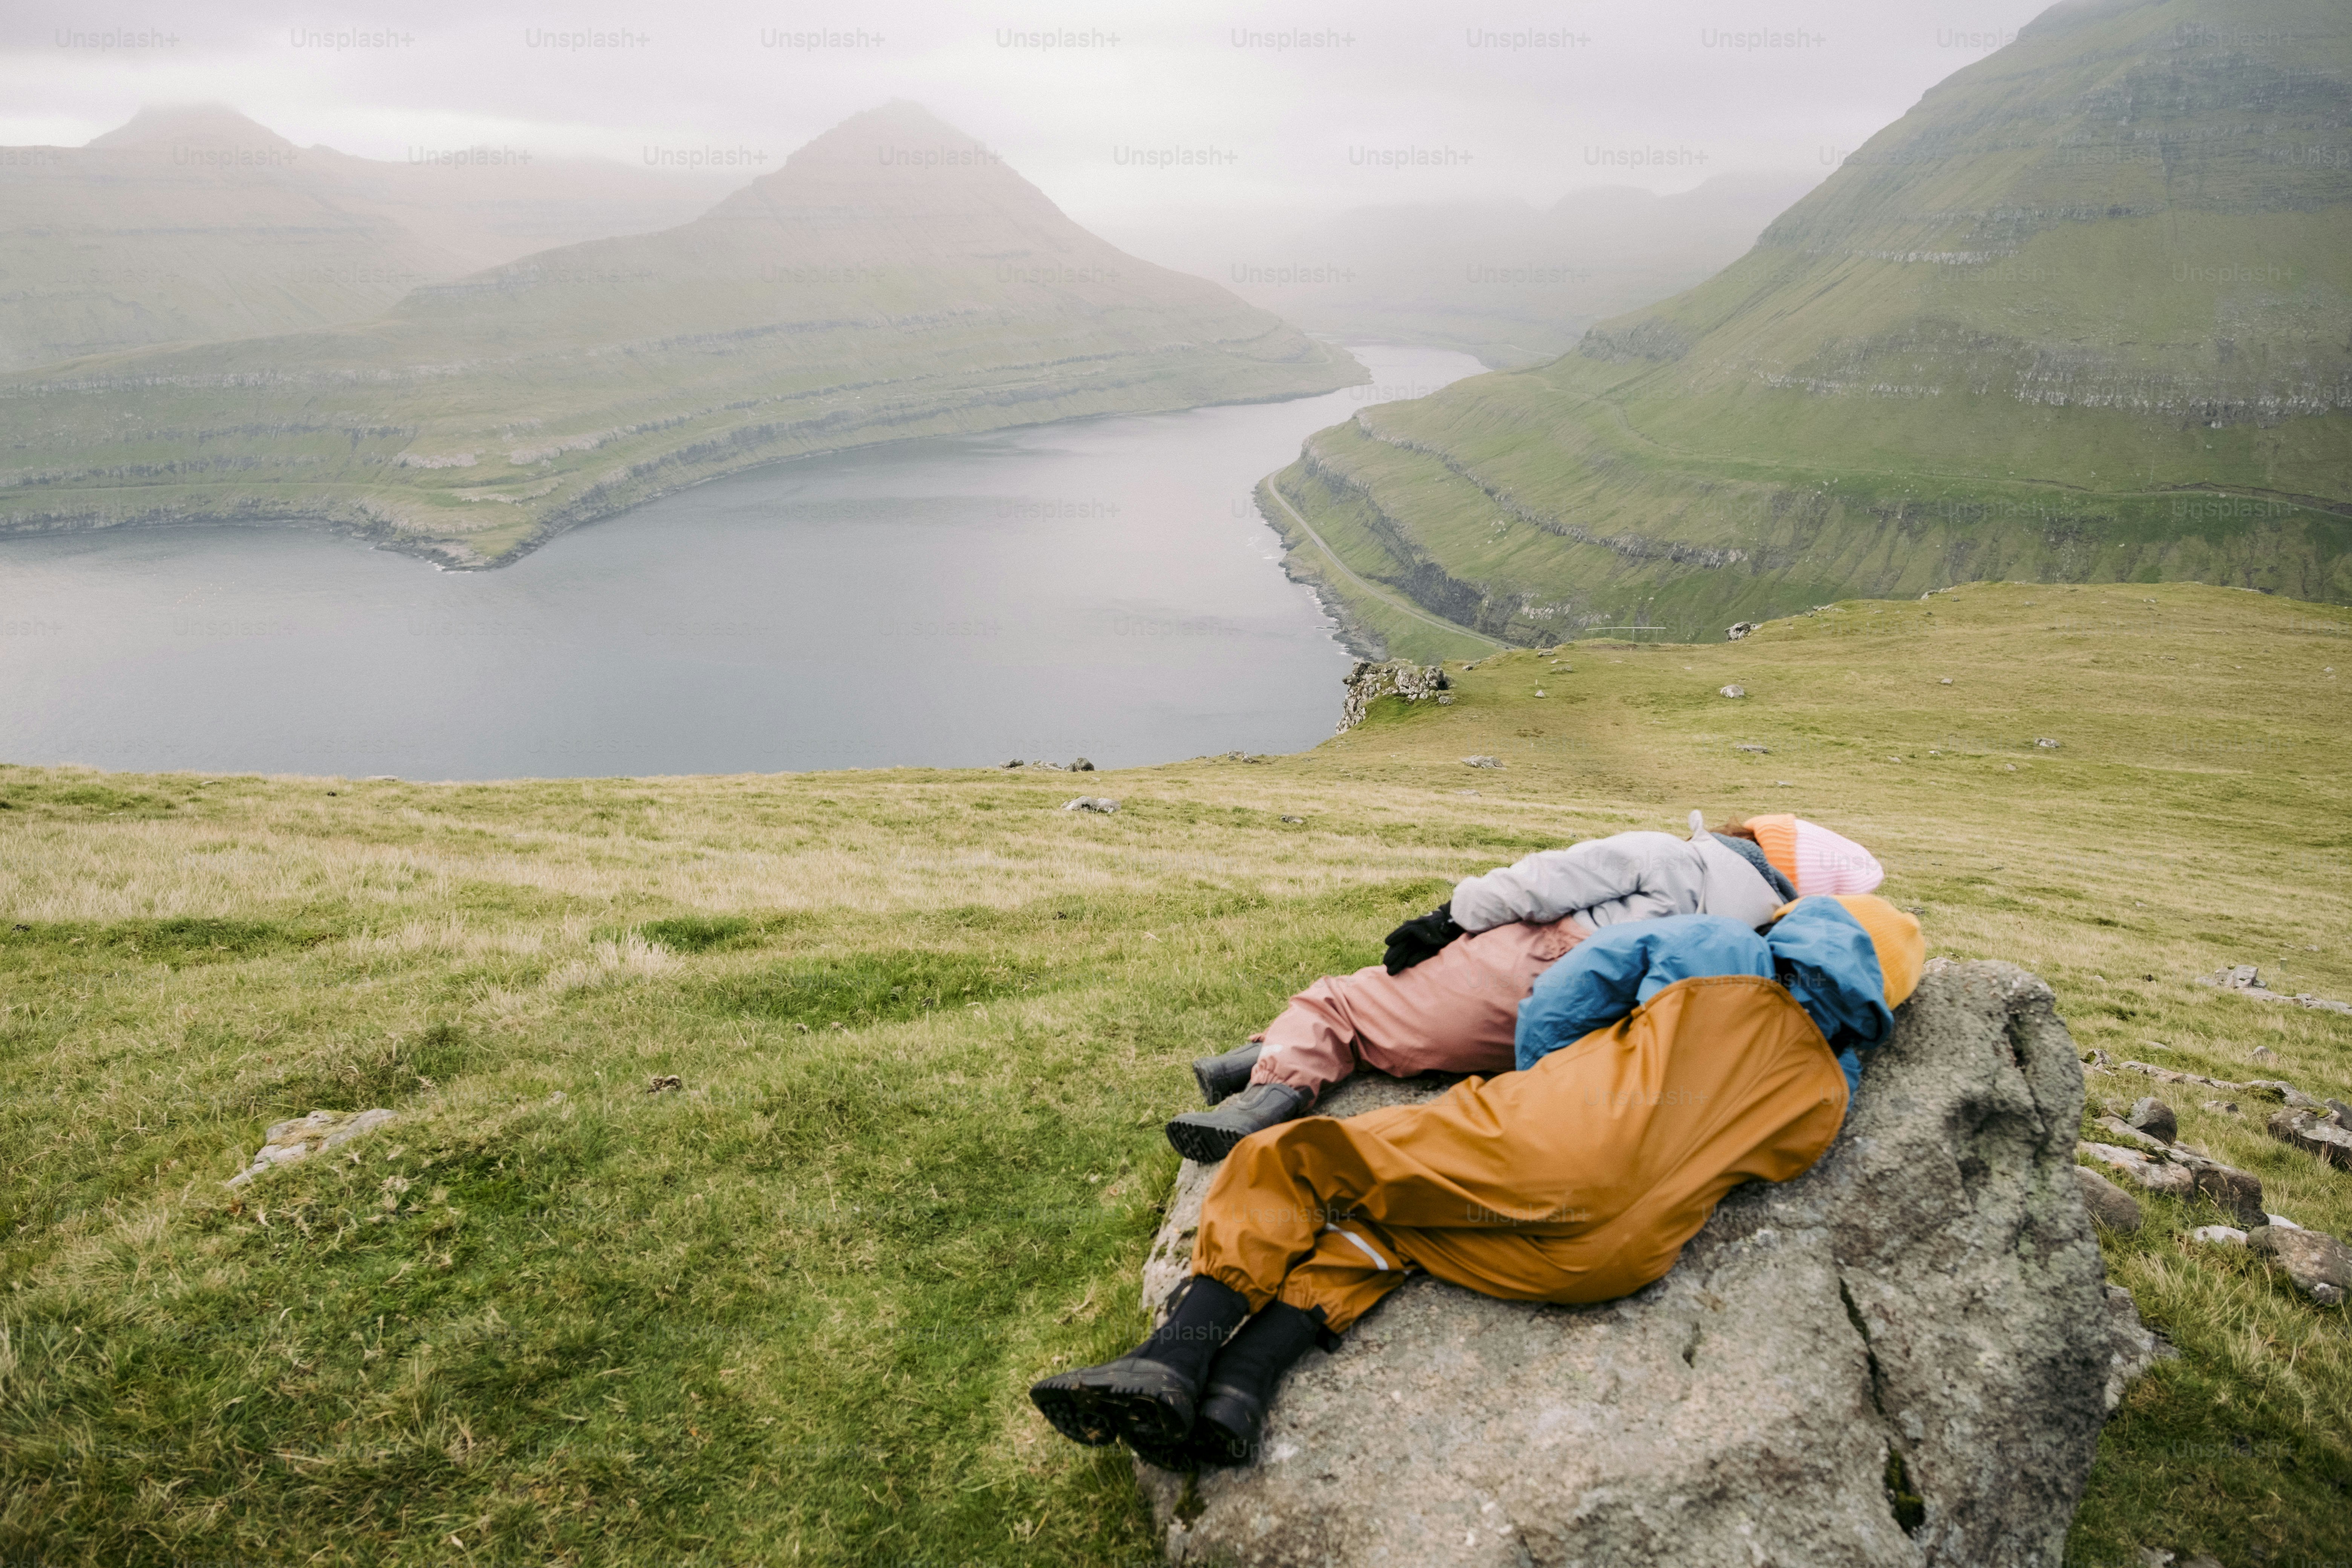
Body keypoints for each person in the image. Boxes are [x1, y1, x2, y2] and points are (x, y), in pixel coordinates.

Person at [1033, 893, 1923, 1470]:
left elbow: (1562, 999)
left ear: (1806, 924)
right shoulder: (1829, 1091)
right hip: (1614, 1259)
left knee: (1294, 1159)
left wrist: (1549, 1092)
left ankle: (1175, 1356)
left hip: (1549, 1150)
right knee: (1398, 1231)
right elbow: (1761, 1165)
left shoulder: (1723, 943)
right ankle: (1241, 1385)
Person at [1165, 812, 1885, 1162]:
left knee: (1344, 1001)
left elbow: (1543, 880)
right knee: (1403, 1028)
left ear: (1743, 837)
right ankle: (1243, 1063)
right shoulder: (1761, 938)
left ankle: (1261, 1102)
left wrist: (1447, 917)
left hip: (1540, 963)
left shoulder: (1674, 857)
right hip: (1568, 1035)